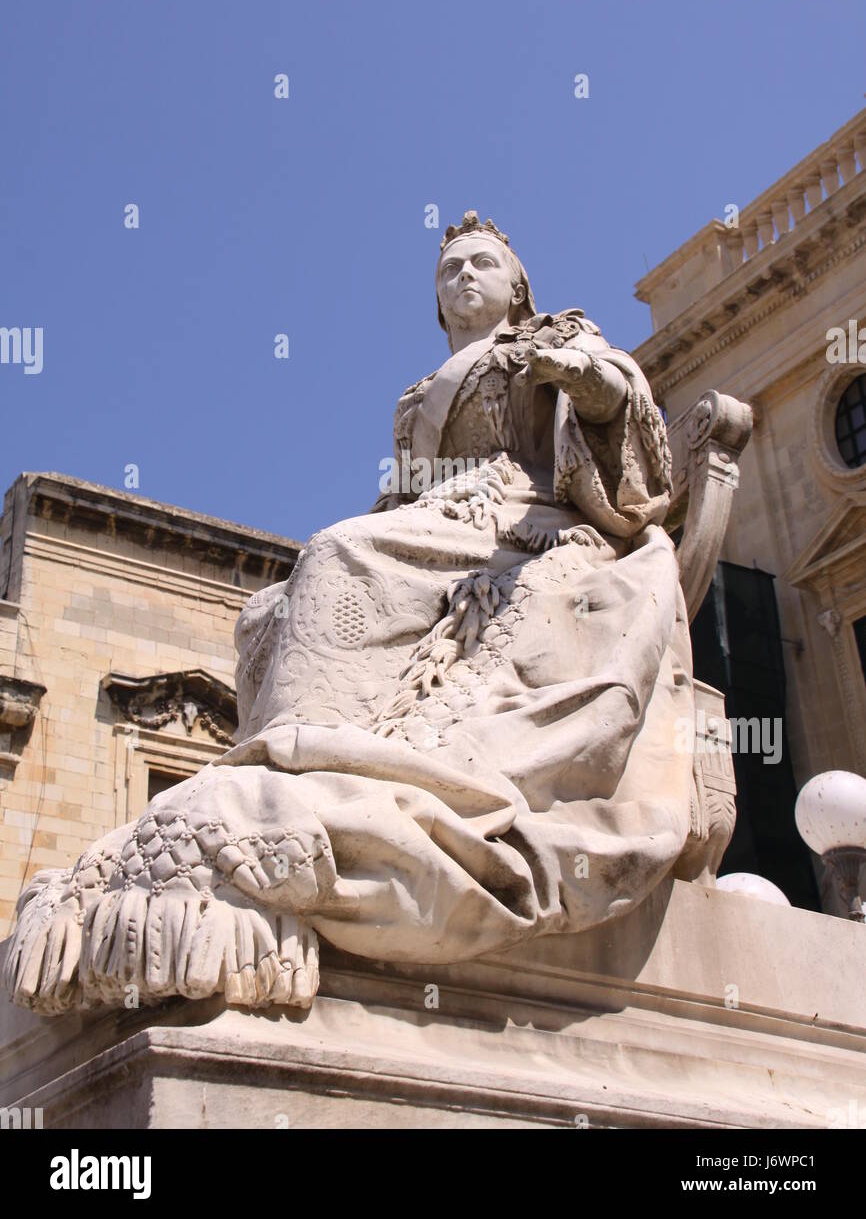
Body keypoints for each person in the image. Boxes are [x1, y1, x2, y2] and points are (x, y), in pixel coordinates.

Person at [7, 213, 694, 1016]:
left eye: (482, 264)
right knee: (278, 602)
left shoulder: (554, 336)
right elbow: (402, 497)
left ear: (517, 284)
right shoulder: (416, 401)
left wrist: (581, 379)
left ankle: (321, 757)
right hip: (439, 526)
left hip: (527, 523)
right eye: (449, 271)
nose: (463, 276)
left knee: (337, 551)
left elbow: (619, 415)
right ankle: (314, 748)